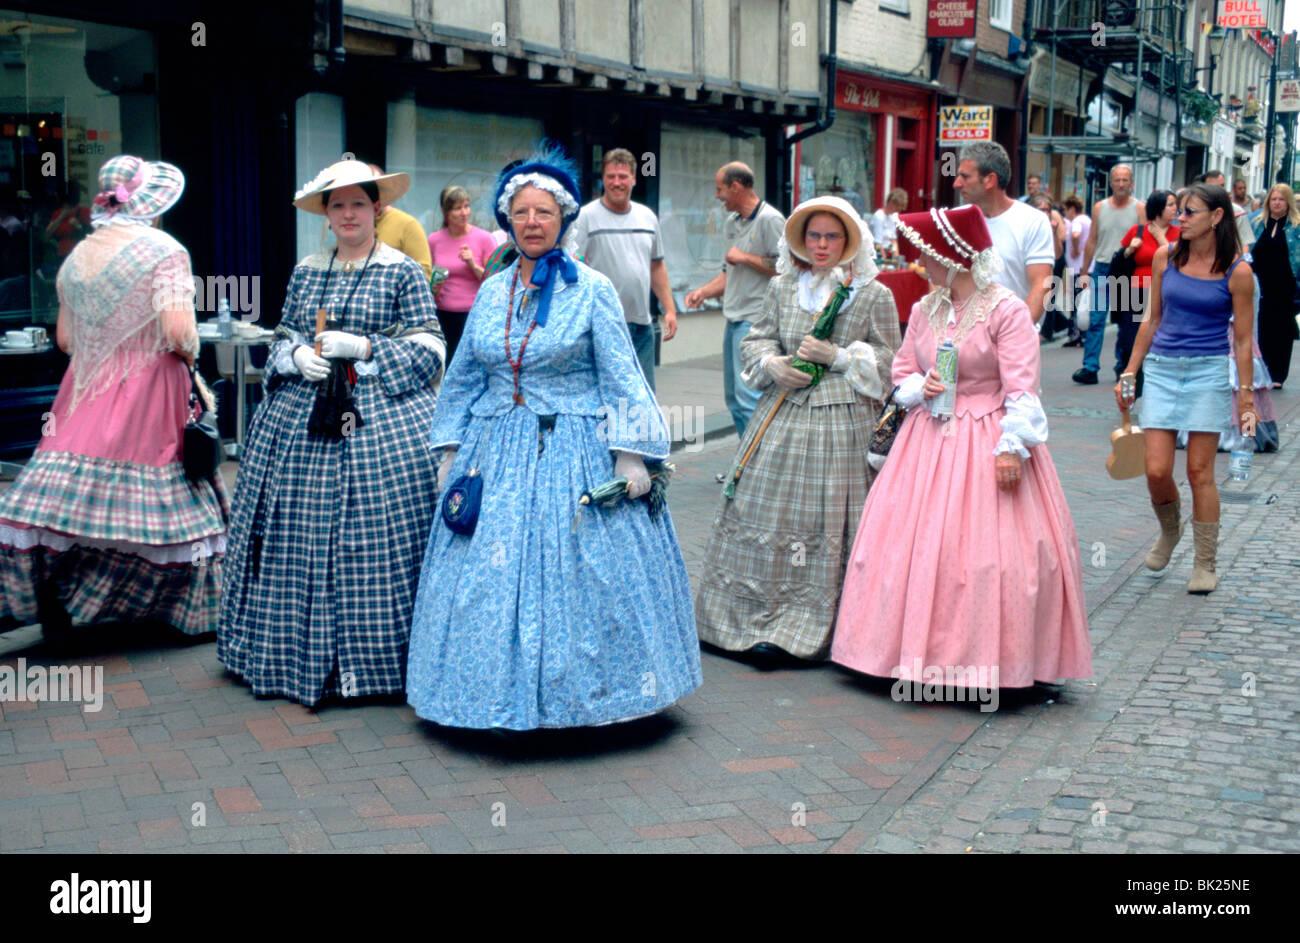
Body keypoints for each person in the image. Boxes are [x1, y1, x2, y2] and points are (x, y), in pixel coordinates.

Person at [406, 144, 702, 730]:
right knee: (488, 576)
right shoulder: (492, 291)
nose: (532, 223)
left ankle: (586, 701)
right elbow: (466, 373)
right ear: (506, 220)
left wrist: (631, 455)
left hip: (574, 447)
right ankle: (484, 699)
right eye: (521, 213)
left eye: (543, 212)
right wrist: (448, 446)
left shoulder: (590, 289)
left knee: (584, 572)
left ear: (563, 219)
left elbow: (621, 371)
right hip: (495, 450)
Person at [832, 204, 1091, 690]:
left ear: (953, 256)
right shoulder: (926, 309)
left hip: (987, 433)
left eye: (927, 255)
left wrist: (1011, 447)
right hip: (927, 435)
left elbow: (1022, 387)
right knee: (909, 546)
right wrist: (918, 387)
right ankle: (900, 655)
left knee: (985, 553)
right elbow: (903, 368)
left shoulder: (1007, 310)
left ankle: (983, 663)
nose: (920, 263)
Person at [218, 160, 445, 705]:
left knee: (374, 538)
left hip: (379, 425)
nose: (348, 214)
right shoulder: (306, 270)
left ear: (377, 209)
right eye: (337, 205)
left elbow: (434, 350)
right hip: (301, 424)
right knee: (298, 533)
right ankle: (292, 657)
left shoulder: (401, 271)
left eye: (358, 204)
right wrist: (294, 354)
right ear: (326, 214)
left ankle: (376, 666)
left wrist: (367, 349)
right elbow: (284, 335)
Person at [0, 155, 228, 640]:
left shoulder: (78, 256)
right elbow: (178, 331)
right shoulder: (166, 249)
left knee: (72, 496)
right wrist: (188, 350)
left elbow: (65, 339)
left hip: (83, 387)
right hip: (150, 387)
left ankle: (66, 596)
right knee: (162, 493)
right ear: (151, 203)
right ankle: (164, 607)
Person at [694, 196, 900, 664]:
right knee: (758, 510)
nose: (822, 245)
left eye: (831, 236)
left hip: (842, 419)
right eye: (814, 236)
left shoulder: (872, 293)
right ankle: (748, 616)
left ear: (848, 240)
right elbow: (758, 337)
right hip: (781, 411)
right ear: (801, 241)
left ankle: (809, 626)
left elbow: (892, 362)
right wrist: (773, 362)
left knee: (821, 519)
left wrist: (842, 358)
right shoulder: (783, 287)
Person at [1115, 184, 1255, 595]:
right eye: (1180, 212)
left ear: (1216, 217)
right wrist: (1130, 372)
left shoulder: (1239, 271)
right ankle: (1170, 530)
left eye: (1190, 212)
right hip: (1160, 369)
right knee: (1156, 468)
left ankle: (1205, 561)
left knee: (1199, 472)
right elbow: (1151, 319)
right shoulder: (1166, 257)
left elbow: (1244, 340)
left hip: (1208, 372)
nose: (1181, 219)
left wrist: (1245, 394)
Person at [684, 162, 785, 436]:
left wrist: (745, 257)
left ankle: (753, 465)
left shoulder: (771, 220)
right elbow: (730, 272)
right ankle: (743, 463)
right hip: (733, 318)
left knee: (748, 397)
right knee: (733, 398)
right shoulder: (732, 222)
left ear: (736, 187)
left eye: (720, 189)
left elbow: (785, 267)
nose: (717, 196)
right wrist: (703, 292)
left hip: (755, 320)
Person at [570, 147, 678, 392]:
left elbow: (657, 266)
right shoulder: (585, 217)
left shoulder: (648, 217)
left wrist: (669, 309)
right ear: (602, 179)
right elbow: (573, 267)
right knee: (609, 394)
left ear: (634, 179)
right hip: (602, 324)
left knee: (643, 394)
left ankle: (641, 433)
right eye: (611, 176)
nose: (617, 182)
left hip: (642, 325)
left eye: (622, 176)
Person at [952, 142, 1054, 327]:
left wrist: (1017, 333)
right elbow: (940, 281)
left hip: (1011, 337)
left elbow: (1042, 283)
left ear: (990, 180)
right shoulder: (955, 220)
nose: (957, 183)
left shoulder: (1032, 221)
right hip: (962, 339)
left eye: (965, 177)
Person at [1074, 164, 1140, 384]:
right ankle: (1090, 367)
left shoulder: (1140, 208)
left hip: (1128, 269)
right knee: (1096, 319)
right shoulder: (1099, 207)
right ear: (1110, 183)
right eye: (1117, 180)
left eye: (1125, 180)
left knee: (1126, 321)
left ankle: (1123, 365)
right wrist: (1085, 271)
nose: (1121, 184)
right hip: (1102, 267)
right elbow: (1092, 239)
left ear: (1131, 183)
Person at [1114, 190, 1180, 396]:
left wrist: (1162, 239)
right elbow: (1119, 261)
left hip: (1162, 291)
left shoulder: (1178, 234)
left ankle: (1152, 386)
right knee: (1129, 340)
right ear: (1158, 208)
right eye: (1170, 204)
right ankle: (1131, 385)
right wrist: (1130, 250)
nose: (1175, 209)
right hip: (1134, 291)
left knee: (1155, 340)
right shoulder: (1138, 230)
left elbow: (1177, 262)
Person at [427, 184, 496, 364]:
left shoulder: (484, 238)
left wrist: (472, 264)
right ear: (445, 212)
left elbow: (494, 281)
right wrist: (433, 286)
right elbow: (429, 278)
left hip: (472, 315)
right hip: (442, 314)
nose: (464, 212)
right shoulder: (434, 240)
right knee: (444, 364)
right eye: (458, 208)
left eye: (466, 206)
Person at [1251, 183, 1300, 389]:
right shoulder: (1257, 223)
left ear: (1288, 203)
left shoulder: (1295, 226)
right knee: (1261, 326)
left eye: (1281, 199)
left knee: (1282, 329)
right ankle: (1263, 370)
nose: (1277, 203)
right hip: (1260, 283)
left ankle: (1278, 373)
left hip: (1286, 285)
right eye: (1273, 199)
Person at [367, 163, 433, 280]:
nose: (373, 195)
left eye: (377, 189)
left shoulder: (408, 225)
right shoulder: (352, 227)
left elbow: (424, 273)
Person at [1031, 193, 1068, 341]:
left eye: (1047, 210)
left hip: (1052, 264)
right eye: (1041, 210)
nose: (1044, 213)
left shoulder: (1052, 224)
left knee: (1049, 296)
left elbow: (1059, 253)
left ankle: (1045, 331)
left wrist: (1053, 233)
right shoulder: (1027, 225)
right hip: (1033, 267)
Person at [1061, 192, 1090, 346]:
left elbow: (1076, 234)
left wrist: (1075, 249)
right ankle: (1082, 334)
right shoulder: (1087, 219)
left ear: (1072, 208)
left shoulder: (1077, 221)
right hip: (1086, 266)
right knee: (1084, 302)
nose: (1065, 214)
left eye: (1065, 210)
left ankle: (1075, 335)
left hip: (1077, 267)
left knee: (1076, 303)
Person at [1199, 171, 1255, 250]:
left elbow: (1244, 245)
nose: (1219, 190)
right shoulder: (1197, 211)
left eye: (1222, 186)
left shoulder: (1237, 211)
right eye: (1213, 187)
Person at [869, 188, 908, 255]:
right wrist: (883, 260)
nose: (898, 210)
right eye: (897, 207)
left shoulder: (893, 217)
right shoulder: (879, 217)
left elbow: (893, 240)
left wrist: (895, 257)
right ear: (891, 202)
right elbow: (877, 243)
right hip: (877, 253)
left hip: (888, 251)